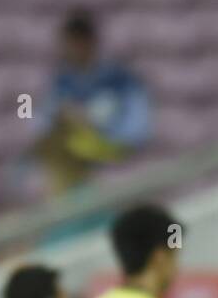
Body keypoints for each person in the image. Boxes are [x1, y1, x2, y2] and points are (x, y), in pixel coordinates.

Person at [33, 10, 152, 195]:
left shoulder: (120, 80)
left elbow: (138, 129)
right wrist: (63, 118)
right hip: (73, 171)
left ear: (91, 42)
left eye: (79, 42)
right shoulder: (59, 84)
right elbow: (40, 128)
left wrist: (93, 123)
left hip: (113, 163)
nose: (74, 49)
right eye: (70, 44)